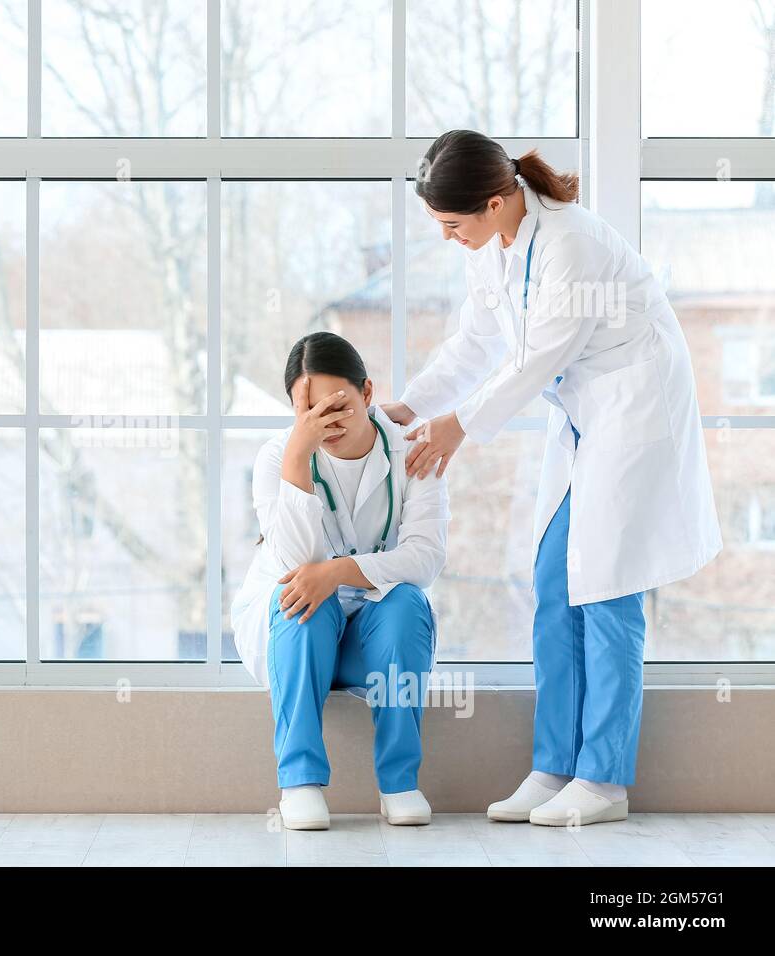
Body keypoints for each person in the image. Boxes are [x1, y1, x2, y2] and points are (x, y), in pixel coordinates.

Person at [381, 130, 721, 826]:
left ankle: (603, 779)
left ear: (496, 202)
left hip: (634, 400)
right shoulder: (495, 247)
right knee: (553, 577)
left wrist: (459, 428)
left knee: (608, 583)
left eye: (452, 225)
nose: (449, 238)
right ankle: (555, 765)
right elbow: (475, 345)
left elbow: (536, 359)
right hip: (582, 410)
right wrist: (412, 405)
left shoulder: (572, 243)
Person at [230, 331, 450, 830]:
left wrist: (337, 572)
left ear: (368, 393)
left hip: (370, 643)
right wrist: (296, 460)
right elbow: (294, 563)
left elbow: (426, 557)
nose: (324, 425)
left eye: (338, 406)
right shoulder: (277, 457)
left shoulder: (412, 452)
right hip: (298, 641)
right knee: (304, 599)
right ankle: (300, 782)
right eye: (308, 413)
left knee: (407, 603)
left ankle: (400, 783)